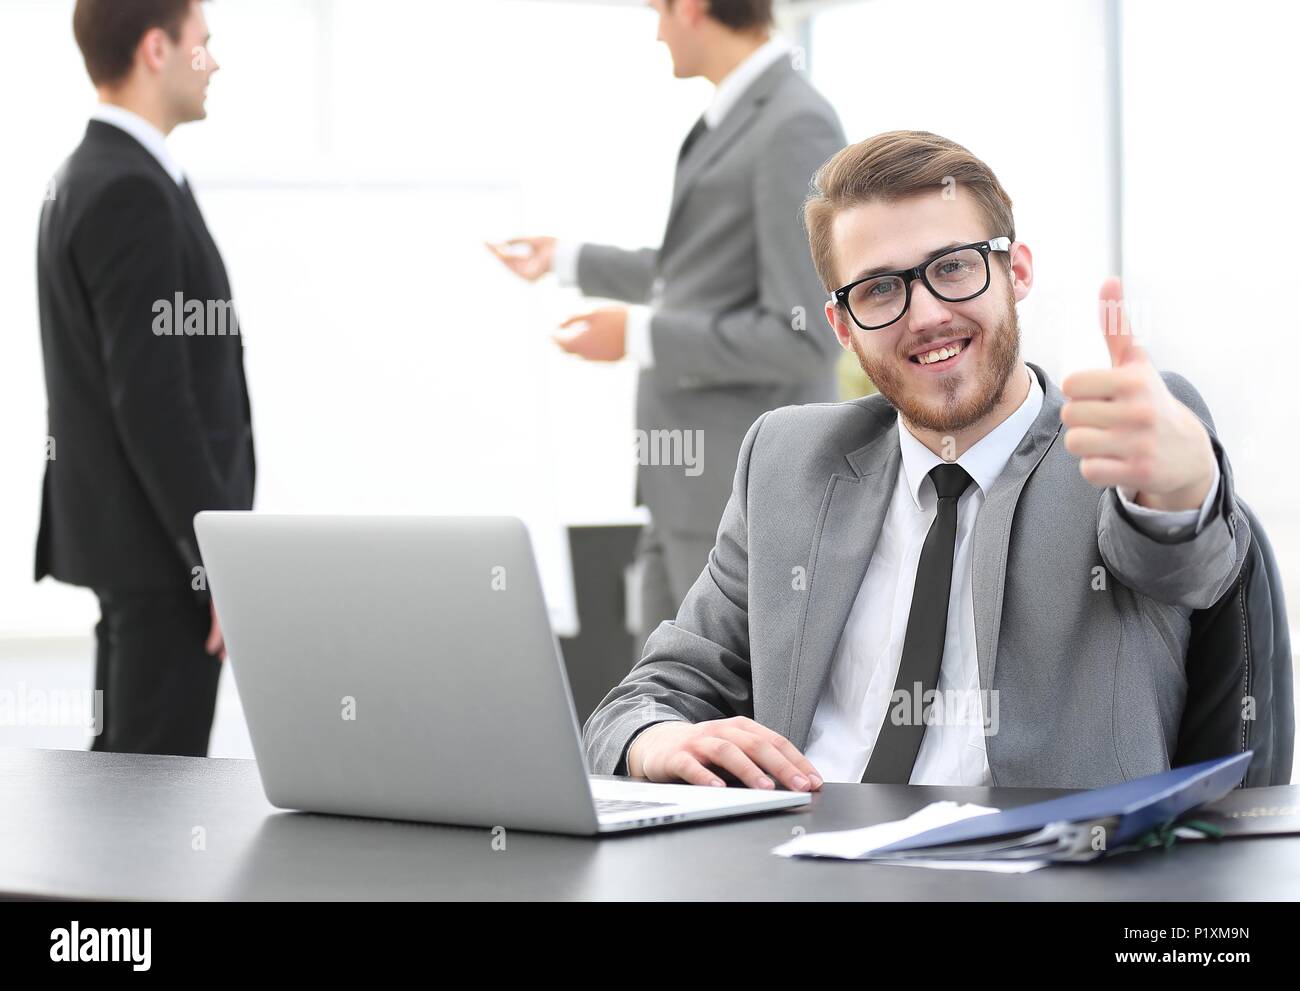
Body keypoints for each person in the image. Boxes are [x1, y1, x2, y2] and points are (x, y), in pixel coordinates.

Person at [583, 130, 1249, 790]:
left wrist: (1184, 491)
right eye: (877, 289)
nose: (925, 314)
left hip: (1036, 872)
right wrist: (658, 738)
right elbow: (650, 694)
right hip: (802, 860)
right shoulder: (787, 462)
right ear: (842, 325)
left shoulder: (1116, 443)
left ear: (1015, 272)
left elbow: (1189, 567)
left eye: (953, 266)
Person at [488, 0, 844, 647]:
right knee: (655, 706)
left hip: (736, 496)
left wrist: (636, 337)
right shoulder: (739, 115)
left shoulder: (795, 124)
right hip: (682, 492)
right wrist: (566, 260)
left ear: (694, 7)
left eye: (658, 10)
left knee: (715, 714)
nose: (655, 30)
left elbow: (805, 333)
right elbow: (696, 269)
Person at [35, 0, 254, 756]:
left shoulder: (93, 173)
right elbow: (154, 402)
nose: (215, 62)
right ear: (156, 50)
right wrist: (215, 565)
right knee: (150, 811)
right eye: (204, 43)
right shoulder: (128, 188)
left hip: (143, 556)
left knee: (127, 796)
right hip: (165, 564)